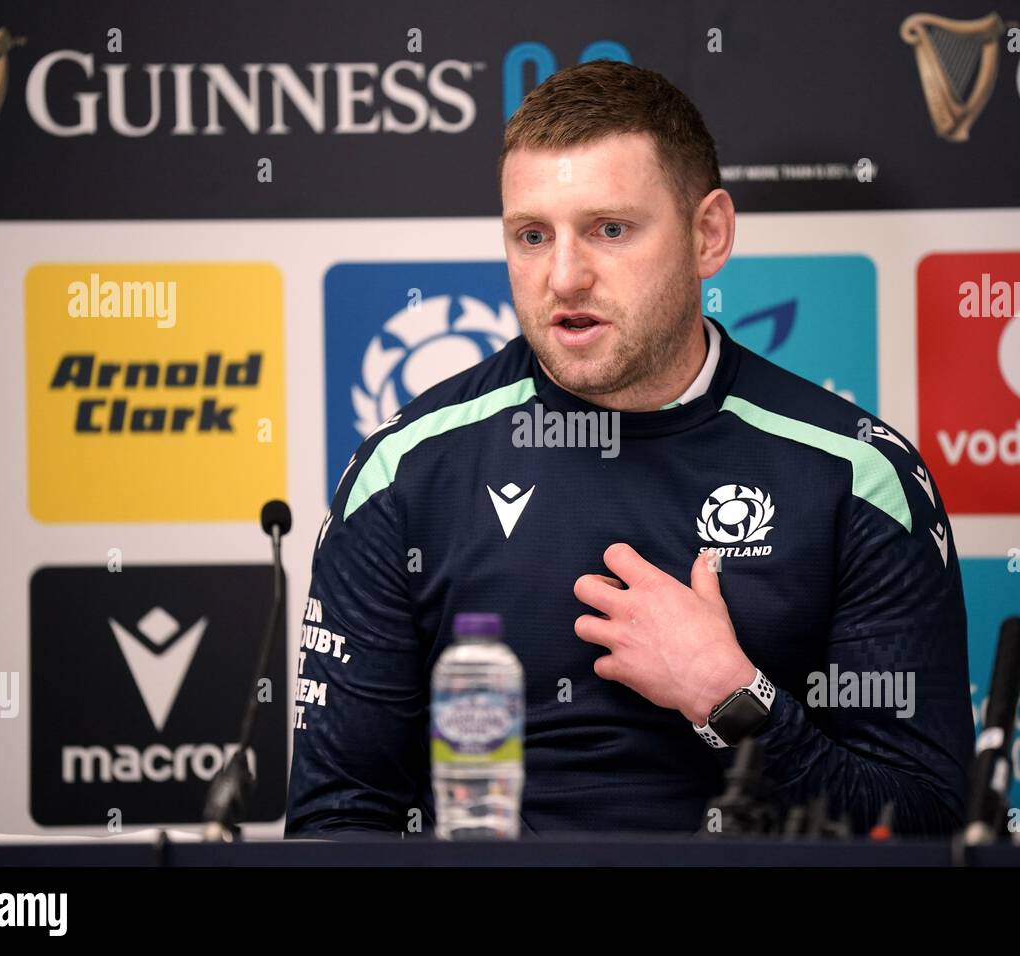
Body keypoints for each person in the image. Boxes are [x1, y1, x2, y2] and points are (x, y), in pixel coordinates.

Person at [285, 60, 973, 837]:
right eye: (532, 236)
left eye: (610, 230)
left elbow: (928, 827)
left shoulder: (856, 474)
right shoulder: (404, 474)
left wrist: (730, 696)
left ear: (708, 234)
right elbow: (340, 821)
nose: (565, 277)